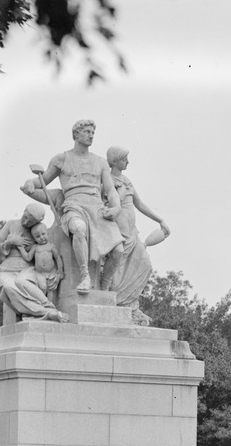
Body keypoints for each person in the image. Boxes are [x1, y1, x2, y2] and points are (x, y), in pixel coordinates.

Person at [21, 119, 122, 294]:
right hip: (74, 206)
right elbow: (42, 181)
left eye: (93, 133)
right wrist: (30, 182)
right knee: (78, 228)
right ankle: (85, 276)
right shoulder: (61, 159)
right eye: (87, 132)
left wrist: (116, 208)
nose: (91, 136)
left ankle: (104, 284)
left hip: (97, 208)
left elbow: (111, 190)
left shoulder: (100, 162)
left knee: (118, 250)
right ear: (76, 134)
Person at [100, 145, 171, 325]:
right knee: (116, 274)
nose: (128, 162)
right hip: (118, 232)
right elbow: (107, 204)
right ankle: (115, 305)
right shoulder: (107, 180)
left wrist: (160, 220)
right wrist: (120, 193)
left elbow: (140, 204)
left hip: (132, 232)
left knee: (145, 265)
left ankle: (130, 306)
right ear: (115, 161)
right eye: (124, 159)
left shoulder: (127, 180)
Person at [24, 222, 65, 304]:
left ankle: (50, 306)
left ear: (47, 233)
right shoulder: (35, 247)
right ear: (34, 239)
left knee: (50, 290)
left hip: (51, 273)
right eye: (38, 236)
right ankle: (41, 305)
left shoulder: (51, 246)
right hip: (40, 274)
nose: (42, 238)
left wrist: (60, 271)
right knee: (42, 287)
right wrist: (21, 249)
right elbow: (28, 258)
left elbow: (57, 258)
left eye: (43, 234)